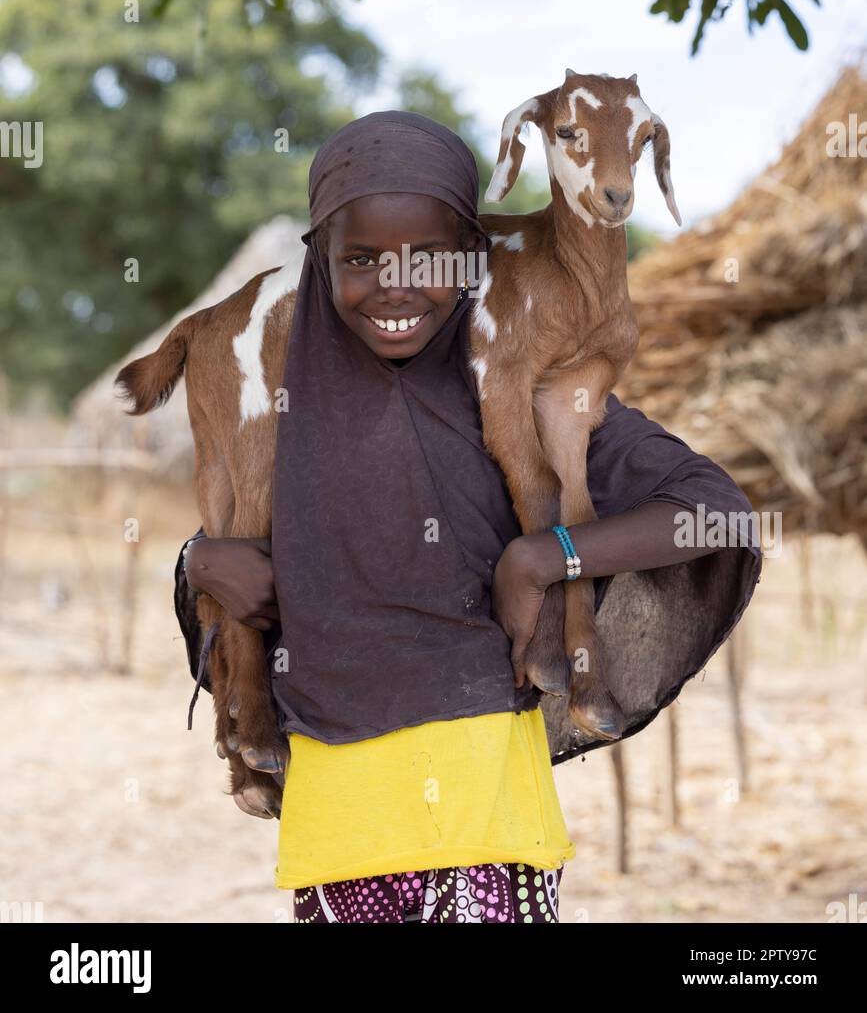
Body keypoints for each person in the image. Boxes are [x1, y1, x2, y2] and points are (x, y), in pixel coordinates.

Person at [174, 110, 762, 925]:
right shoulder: (282, 399)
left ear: (477, 258)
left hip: (490, 811)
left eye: (432, 257)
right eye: (361, 259)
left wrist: (541, 557)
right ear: (318, 261)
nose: (396, 285)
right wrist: (200, 563)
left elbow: (715, 512)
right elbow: (251, 554)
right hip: (339, 817)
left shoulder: (526, 385)